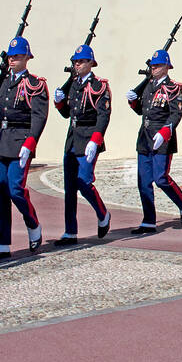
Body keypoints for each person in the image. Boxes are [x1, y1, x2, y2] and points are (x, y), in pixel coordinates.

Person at [0, 37, 48, 258]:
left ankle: (32, 223)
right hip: (1, 139)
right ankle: (3, 243)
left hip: (20, 140)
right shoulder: (1, 81)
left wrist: (31, 143)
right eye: (11, 56)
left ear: (27, 58)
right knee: (1, 190)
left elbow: (39, 116)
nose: (12, 60)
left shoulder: (36, 84)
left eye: (17, 56)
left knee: (15, 189)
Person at [125, 49, 182, 234]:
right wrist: (133, 103)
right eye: (152, 65)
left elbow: (176, 113)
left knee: (160, 178)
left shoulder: (174, 88)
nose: (154, 68)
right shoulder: (147, 86)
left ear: (167, 67)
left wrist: (165, 131)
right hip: (144, 138)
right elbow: (142, 111)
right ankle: (148, 221)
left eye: (158, 65)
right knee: (144, 181)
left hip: (162, 138)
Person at [53, 44, 112, 247]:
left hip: (88, 138)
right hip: (72, 138)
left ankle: (102, 212)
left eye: (81, 62)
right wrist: (60, 102)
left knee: (83, 181)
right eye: (75, 62)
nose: (77, 65)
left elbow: (104, 115)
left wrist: (96, 140)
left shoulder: (99, 86)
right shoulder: (74, 84)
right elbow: (67, 114)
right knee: (69, 187)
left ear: (90, 63)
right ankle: (70, 231)